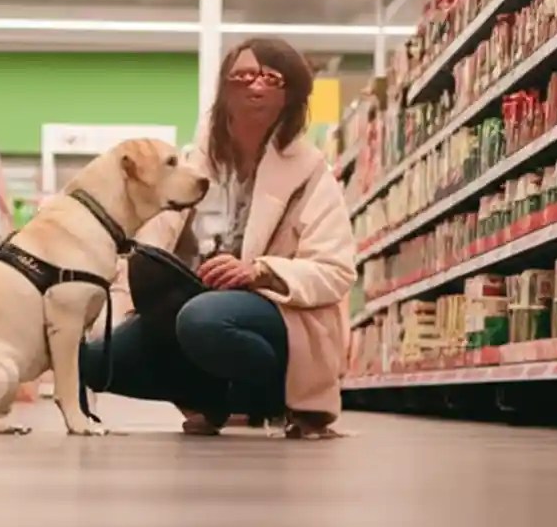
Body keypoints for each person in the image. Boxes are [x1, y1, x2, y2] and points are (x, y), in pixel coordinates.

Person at [80, 37, 356, 438]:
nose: (256, 86)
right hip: (193, 302)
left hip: (275, 312)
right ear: (226, 88)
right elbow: (152, 238)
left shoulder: (312, 174)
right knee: (94, 359)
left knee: (203, 319)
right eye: (243, 76)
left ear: (292, 95)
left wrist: (260, 272)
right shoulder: (193, 166)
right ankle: (210, 398)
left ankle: (269, 399)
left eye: (272, 78)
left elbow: (335, 271)